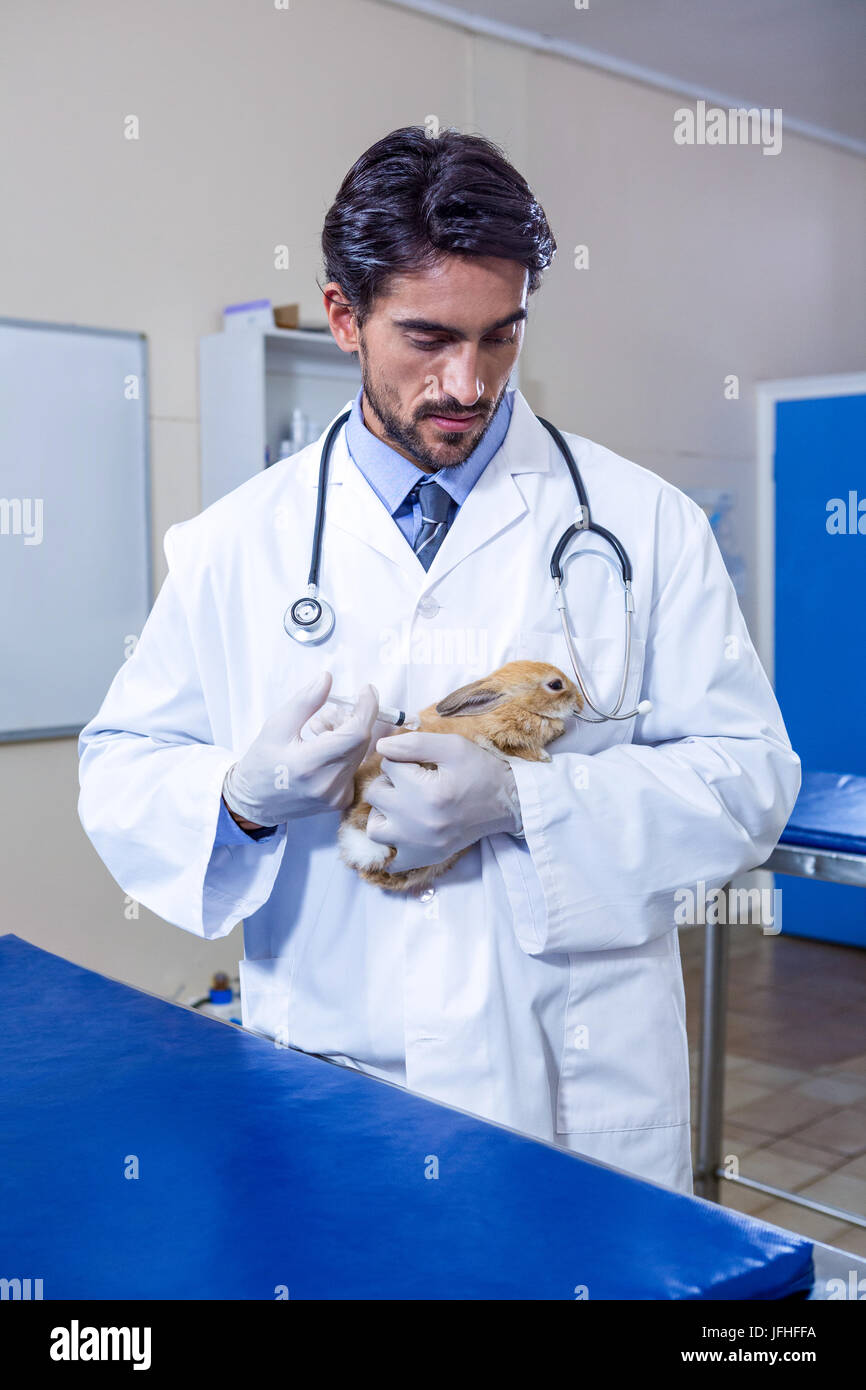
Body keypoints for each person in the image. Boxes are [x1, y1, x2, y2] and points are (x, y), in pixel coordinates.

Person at [78, 125, 800, 1195]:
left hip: (574, 1095)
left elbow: (747, 780)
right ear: (341, 317)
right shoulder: (235, 544)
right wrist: (239, 797)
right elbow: (122, 766)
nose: (467, 382)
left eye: (498, 337)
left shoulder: (641, 526)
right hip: (336, 1081)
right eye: (426, 338)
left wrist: (522, 803)